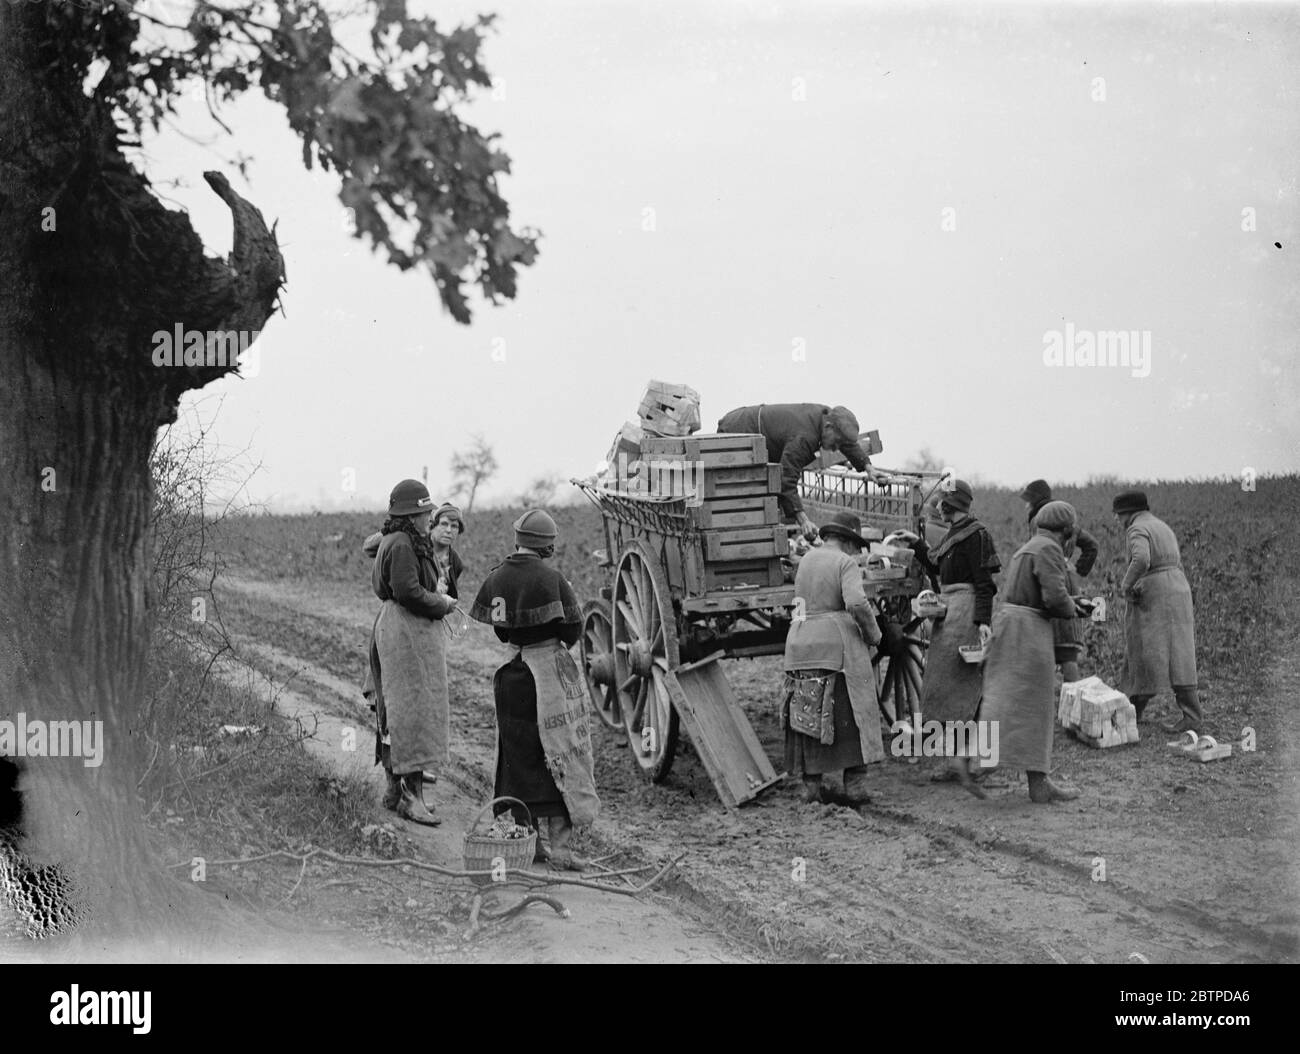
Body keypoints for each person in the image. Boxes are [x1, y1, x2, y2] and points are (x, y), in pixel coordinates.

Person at [469, 509, 599, 870]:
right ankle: (561, 850)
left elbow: (500, 630)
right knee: (561, 754)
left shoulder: (497, 578)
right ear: (548, 546)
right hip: (548, 679)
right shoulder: (553, 578)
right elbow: (573, 629)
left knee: (519, 759)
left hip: (512, 677)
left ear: (517, 541)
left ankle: (531, 844)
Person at [980, 501, 1090, 804]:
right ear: (1067, 529)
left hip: (1010, 624)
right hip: (1029, 630)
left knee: (1006, 698)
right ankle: (1035, 782)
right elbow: (1054, 598)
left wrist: (1068, 603)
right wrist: (1076, 608)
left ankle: (982, 763)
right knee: (1036, 704)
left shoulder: (1027, 547)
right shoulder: (1050, 549)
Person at [364, 480, 456, 826]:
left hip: (397, 628)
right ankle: (412, 799)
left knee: (395, 709)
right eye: (424, 512)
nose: (429, 517)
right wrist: (442, 603)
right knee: (412, 713)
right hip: (406, 632)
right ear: (411, 514)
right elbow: (409, 592)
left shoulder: (395, 540)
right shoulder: (403, 544)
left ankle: (393, 791)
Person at [782, 510, 885, 805]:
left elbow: (798, 605)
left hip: (800, 642)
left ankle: (810, 786)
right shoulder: (845, 562)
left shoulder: (805, 561)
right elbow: (856, 602)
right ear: (849, 542)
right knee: (851, 712)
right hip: (836, 647)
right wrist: (874, 635)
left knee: (808, 714)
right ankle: (854, 785)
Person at [912, 479, 999, 796]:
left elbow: (984, 584)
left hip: (966, 616)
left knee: (967, 688)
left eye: (942, 505)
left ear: (951, 507)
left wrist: (984, 622)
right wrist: (916, 544)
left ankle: (973, 761)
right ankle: (955, 761)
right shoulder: (952, 535)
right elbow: (936, 565)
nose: (939, 509)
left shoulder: (977, 535)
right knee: (944, 688)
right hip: (949, 615)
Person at [716, 403, 882, 541]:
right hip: (739, 430)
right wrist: (803, 521)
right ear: (829, 428)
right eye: (837, 442)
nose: (836, 449)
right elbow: (786, 479)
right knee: (740, 502)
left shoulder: (826, 417)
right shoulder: (804, 438)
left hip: (744, 421)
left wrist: (869, 468)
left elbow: (847, 442)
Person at [1112, 490, 1202, 733]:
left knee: (1141, 649)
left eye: (1118, 516)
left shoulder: (1136, 529)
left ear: (1126, 514)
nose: (1118, 522)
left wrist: (1126, 584)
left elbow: (1141, 559)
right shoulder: (1162, 526)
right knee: (1180, 653)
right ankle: (1191, 714)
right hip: (1178, 586)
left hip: (1155, 593)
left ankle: (1130, 710)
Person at [1021, 480, 1098, 684]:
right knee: (1066, 644)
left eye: (1028, 500)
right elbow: (1092, 546)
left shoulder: (1039, 521)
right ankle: (1068, 693)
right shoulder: (1067, 522)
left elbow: (1038, 552)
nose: (1025, 505)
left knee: (1063, 647)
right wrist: (1075, 570)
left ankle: (1070, 695)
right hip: (1065, 575)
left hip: (1049, 574)